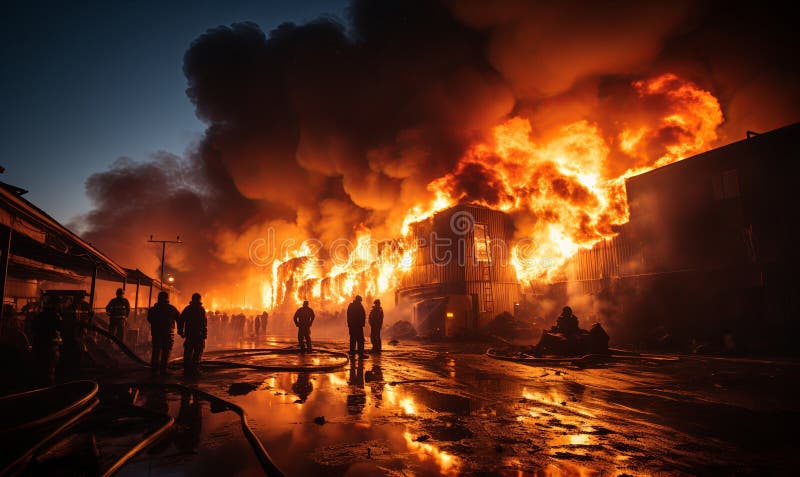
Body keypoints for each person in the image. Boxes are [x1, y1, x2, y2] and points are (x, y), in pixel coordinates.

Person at [31, 296, 63, 385]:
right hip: (50, 347)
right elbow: (60, 328)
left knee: (39, 367)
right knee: (49, 369)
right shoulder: (55, 317)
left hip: (39, 346)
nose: (60, 306)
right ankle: (48, 387)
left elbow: (33, 329)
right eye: (59, 304)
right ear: (55, 305)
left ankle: (38, 386)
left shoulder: (39, 316)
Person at [147, 291, 180, 375]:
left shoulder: (153, 309)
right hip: (168, 333)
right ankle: (163, 369)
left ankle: (154, 369)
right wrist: (180, 330)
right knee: (166, 351)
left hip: (156, 333)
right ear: (167, 298)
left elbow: (149, 319)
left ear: (158, 298)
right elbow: (179, 319)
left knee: (156, 350)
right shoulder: (172, 308)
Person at [179, 293, 207, 376]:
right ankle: (195, 370)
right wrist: (204, 334)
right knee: (197, 353)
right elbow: (204, 323)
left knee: (188, 352)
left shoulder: (187, 309)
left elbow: (181, 320)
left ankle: (187, 370)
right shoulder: (201, 309)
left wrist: (181, 331)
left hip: (189, 334)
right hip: (198, 335)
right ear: (199, 299)